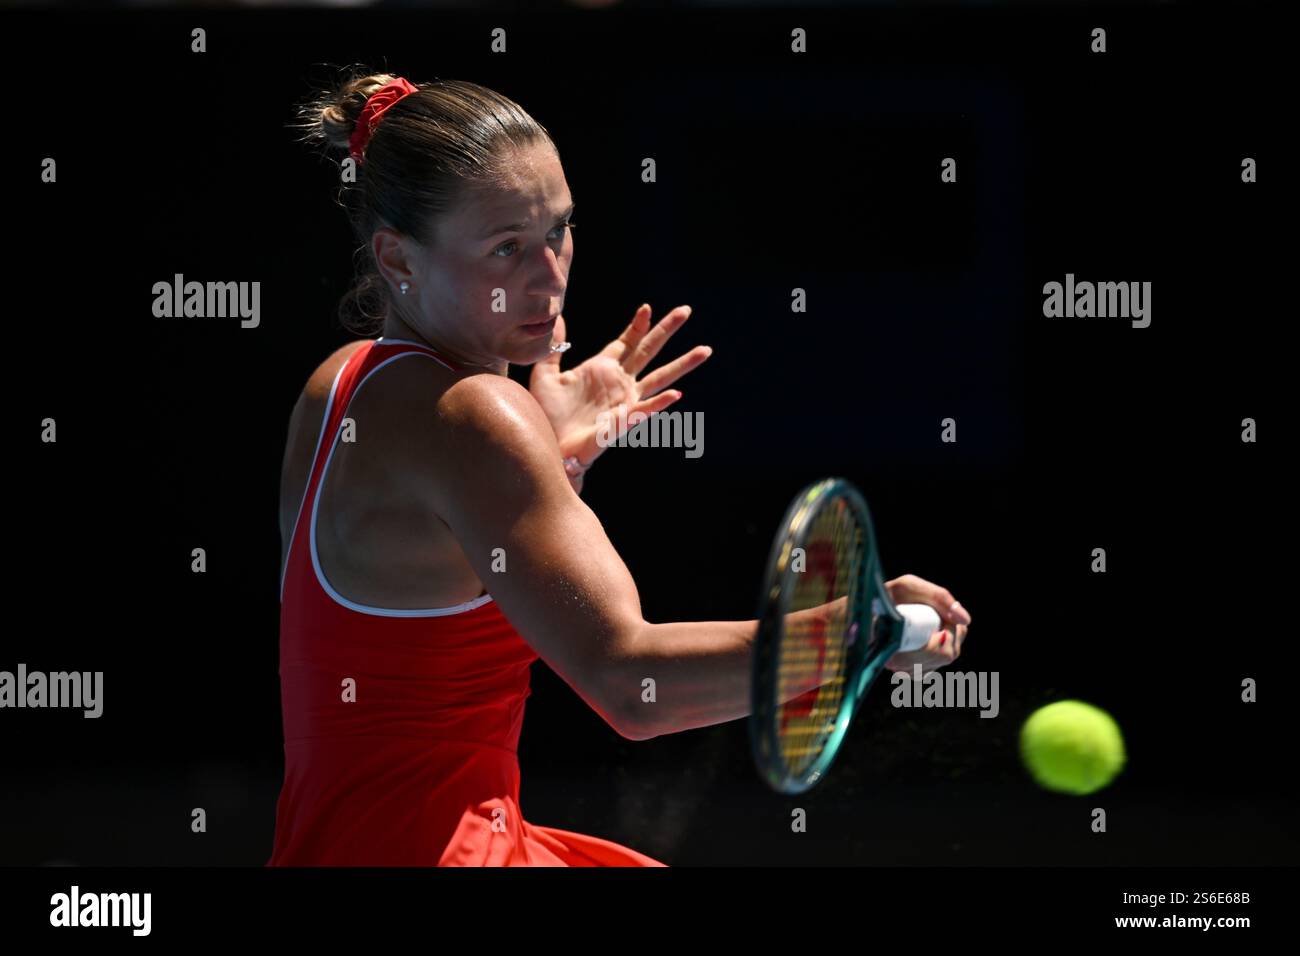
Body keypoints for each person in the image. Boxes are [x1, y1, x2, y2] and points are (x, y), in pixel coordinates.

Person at [268, 71, 971, 866]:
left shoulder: (339, 383)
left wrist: (552, 458)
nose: (549, 275)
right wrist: (856, 633)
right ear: (398, 257)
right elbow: (633, 687)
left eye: (558, 231)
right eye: (505, 247)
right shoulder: (476, 419)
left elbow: (433, 576)